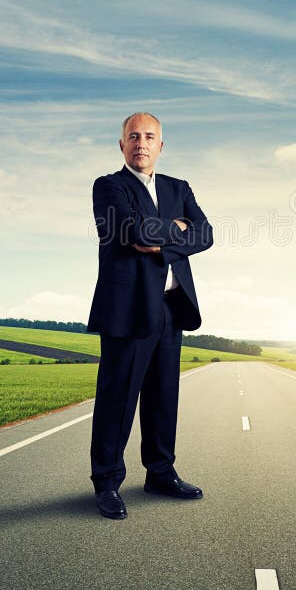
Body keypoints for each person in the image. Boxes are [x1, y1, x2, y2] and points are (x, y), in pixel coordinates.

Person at [87, 112, 213, 519]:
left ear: (161, 145)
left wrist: (158, 235)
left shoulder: (179, 187)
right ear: (121, 144)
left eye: (149, 136)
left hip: (171, 306)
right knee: (118, 397)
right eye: (133, 136)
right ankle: (106, 482)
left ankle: (160, 473)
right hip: (128, 307)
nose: (141, 142)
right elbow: (133, 233)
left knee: (163, 395)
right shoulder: (109, 186)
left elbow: (206, 233)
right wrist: (177, 230)